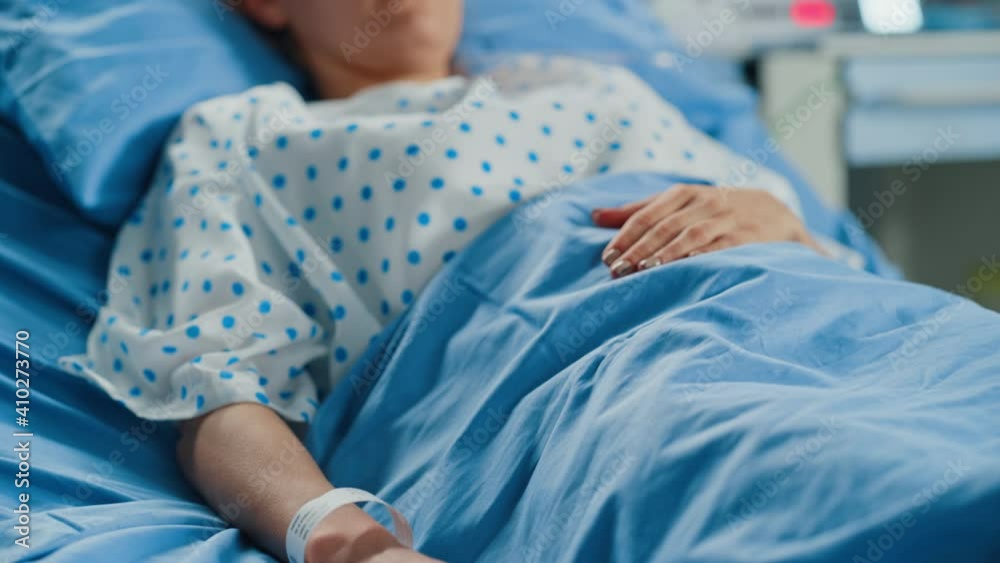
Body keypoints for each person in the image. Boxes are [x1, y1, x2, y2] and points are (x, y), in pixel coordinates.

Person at [61, 1, 853, 561]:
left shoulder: (594, 90)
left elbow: (826, 268)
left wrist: (774, 218)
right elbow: (219, 393)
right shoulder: (242, 137)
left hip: (799, 338)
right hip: (603, 406)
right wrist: (348, 541)